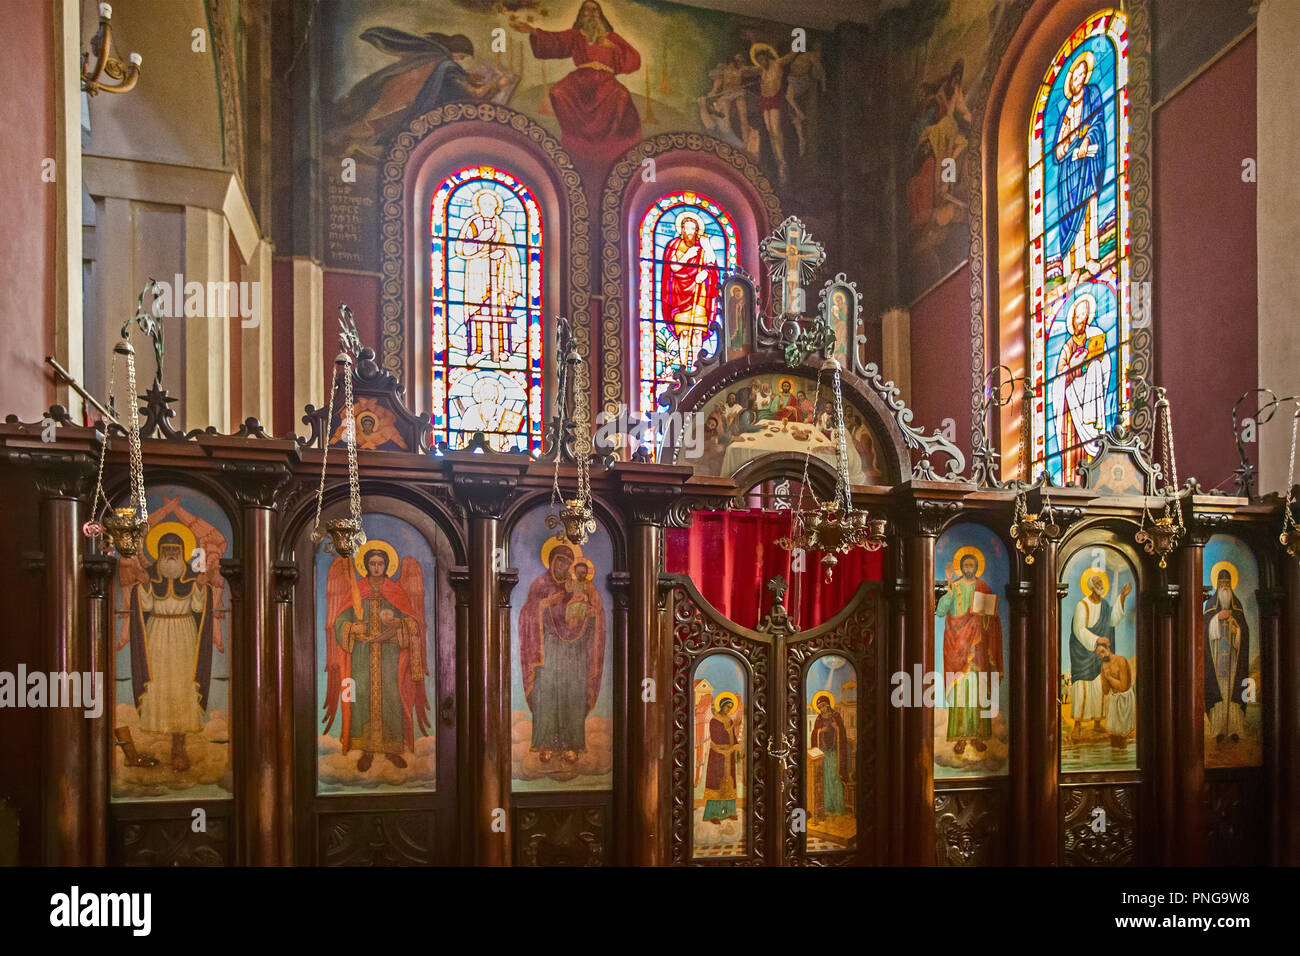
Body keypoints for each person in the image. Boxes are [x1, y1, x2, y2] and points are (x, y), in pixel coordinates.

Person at [120, 529, 221, 772]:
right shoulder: (151, 578)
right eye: (166, 551)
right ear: (159, 554)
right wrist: (143, 586)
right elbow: (143, 605)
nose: (171, 556)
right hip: (157, 635)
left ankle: (179, 747)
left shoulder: (190, 579)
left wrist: (199, 587)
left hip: (184, 635)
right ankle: (160, 744)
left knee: (182, 686)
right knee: (159, 684)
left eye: (175, 551)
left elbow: (198, 607)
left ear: (183, 553)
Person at [323, 545, 429, 771]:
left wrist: (397, 624)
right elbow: (339, 623)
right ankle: (367, 750)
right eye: (373, 563)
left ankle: (392, 749)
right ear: (367, 566)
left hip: (390, 656)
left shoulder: (395, 590)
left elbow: (412, 623)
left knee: (392, 695)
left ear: (387, 565)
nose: (377, 567)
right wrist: (353, 628)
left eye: (381, 563)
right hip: (361, 655)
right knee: (361, 696)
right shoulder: (356, 589)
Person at [510, 2, 641, 182]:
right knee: (558, 92)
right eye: (586, 10)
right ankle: (576, 138)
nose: (590, 13)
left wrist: (611, 46)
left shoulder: (612, 38)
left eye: (594, 10)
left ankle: (608, 145)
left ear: (600, 14)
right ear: (581, 14)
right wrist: (533, 31)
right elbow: (556, 40)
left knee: (621, 96)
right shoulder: (576, 36)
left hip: (606, 80)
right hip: (581, 78)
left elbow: (633, 59)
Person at [518, 537, 606, 764]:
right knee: (546, 694)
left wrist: (587, 612)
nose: (563, 567)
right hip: (547, 651)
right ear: (550, 562)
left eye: (567, 562)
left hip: (574, 652)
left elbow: (597, 613)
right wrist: (545, 604)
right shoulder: (540, 585)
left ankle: (572, 745)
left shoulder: (582, 584)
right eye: (559, 562)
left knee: (572, 694)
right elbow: (526, 615)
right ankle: (545, 744)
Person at [935, 551, 1003, 755]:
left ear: (976, 568)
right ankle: (960, 738)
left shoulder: (983, 588)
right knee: (960, 694)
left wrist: (986, 618)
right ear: (961, 567)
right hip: (958, 648)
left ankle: (976, 736)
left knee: (978, 692)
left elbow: (992, 620)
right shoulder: (954, 587)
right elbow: (939, 612)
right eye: (966, 566)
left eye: (972, 566)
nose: (969, 569)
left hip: (978, 649)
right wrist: (947, 586)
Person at [1054, 50, 1106, 282]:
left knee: (1090, 209)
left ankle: (1091, 259)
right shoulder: (1065, 112)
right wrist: (1064, 146)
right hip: (1069, 173)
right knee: (1071, 216)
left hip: (1088, 164)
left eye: (1083, 75)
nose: (1079, 80)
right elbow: (1057, 151)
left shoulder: (1093, 94)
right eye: (1076, 77)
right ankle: (1073, 268)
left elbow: (1098, 121)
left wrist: (1086, 140)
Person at [454, 189, 521, 361]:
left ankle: (503, 349)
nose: (487, 207)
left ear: (497, 206)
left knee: (500, 310)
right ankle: (478, 350)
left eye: (491, 204)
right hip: (477, 272)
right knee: (478, 309)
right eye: (484, 203)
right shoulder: (473, 224)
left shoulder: (503, 226)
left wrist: (502, 253)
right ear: (478, 205)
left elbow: (512, 250)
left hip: (500, 274)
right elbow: (461, 249)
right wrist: (481, 244)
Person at [1052, 292, 1110, 481]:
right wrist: (1074, 367)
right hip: (1072, 404)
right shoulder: (1067, 347)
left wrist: (1099, 360)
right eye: (1078, 317)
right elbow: (1060, 377)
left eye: (1085, 317)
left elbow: (1104, 365)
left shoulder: (1093, 337)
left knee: (1094, 365)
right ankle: (1072, 481)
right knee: (1074, 447)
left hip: (1091, 400)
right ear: (1072, 319)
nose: (1082, 322)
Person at [1068, 569, 1130, 742]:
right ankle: (1077, 726)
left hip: (1098, 653)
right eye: (1097, 584)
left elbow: (1113, 620)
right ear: (1091, 587)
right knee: (1083, 688)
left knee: (1099, 686)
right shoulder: (1082, 605)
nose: (1101, 586)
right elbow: (1078, 630)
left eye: (1102, 583)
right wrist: (1096, 639)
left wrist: (1122, 597)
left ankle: (1097, 723)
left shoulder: (1104, 606)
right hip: (1082, 652)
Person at [660, 213, 719, 367]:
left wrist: (705, 272)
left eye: (693, 228)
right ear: (681, 230)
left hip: (699, 294)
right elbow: (673, 267)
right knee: (684, 333)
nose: (689, 232)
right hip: (680, 294)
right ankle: (682, 365)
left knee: (697, 332)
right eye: (686, 228)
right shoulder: (674, 245)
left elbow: (711, 263)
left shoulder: (702, 246)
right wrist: (687, 255)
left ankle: (696, 366)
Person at [1204, 566, 1251, 744]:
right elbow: (1204, 631)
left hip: (1233, 662)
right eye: (1221, 583)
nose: (1224, 587)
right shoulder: (1210, 605)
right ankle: (1218, 731)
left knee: (1234, 692)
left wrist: (1236, 630)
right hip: (1216, 662)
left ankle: (1235, 729)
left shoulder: (1237, 606)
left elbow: (1244, 633)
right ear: (1217, 584)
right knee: (1218, 694)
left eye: (1227, 583)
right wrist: (1217, 619)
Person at [809, 693, 850, 817]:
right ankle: (827, 808)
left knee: (835, 777)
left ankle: (838, 808)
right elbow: (814, 734)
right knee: (825, 779)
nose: (821, 709)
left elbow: (842, 733)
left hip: (834, 753)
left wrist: (835, 727)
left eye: (823, 706)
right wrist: (821, 731)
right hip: (822, 754)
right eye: (819, 707)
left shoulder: (836, 716)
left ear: (828, 705)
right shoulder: (819, 719)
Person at [702, 696, 741, 824]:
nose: (728, 709)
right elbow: (717, 737)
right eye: (727, 706)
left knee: (730, 783)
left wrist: (736, 746)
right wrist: (728, 731)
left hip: (729, 755)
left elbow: (733, 736)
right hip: (718, 755)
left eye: (730, 707)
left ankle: (729, 812)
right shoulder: (715, 720)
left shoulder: (729, 720)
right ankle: (713, 814)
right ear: (721, 705)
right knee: (716, 782)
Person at [1097, 637, 1134, 748]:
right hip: (1114, 699)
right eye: (1099, 655)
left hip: (1125, 699)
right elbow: (1105, 691)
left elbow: (1123, 687)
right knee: (1113, 736)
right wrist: (1103, 678)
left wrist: (1108, 678)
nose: (1102, 656)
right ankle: (1115, 760)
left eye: (1103, 652)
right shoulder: (1104, 665)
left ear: (1108, 648)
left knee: (1122, 737)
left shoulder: (1120, 660)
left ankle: (1122, 760)